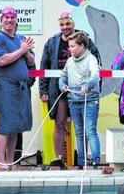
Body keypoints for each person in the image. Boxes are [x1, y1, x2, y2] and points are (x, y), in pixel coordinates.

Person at [40, 12, 100, 168]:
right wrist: (43, 90)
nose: (65, 27)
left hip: (82, 90)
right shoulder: (52, 42)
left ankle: (87, 160)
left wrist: (93, 86)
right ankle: (59, 158)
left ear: (73, 24)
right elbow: (44, 65)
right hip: (59, 89)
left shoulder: (84, 39)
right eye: (62, 24)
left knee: (85, 128)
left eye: (68, 24)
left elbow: (96, 63)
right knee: (59, 123)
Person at [0, 8, 35, 170]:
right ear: (1, 19)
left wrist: (26, 52)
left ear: (16, 20)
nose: (9, 20)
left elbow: (31, 62)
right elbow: (1, 60)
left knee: (15, 127)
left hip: (21, 88)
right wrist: (21, 50)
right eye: (6, 17)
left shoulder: (21, 38)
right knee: (5, 125)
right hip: (6, 87)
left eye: (12, 17)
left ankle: (10, 161)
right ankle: (1, 162)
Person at [58, 31, 102, 168]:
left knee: (90, 130)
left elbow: (95, 75)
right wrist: (62, 85)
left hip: (89, 100)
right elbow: (63, 76)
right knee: (79, 132)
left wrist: (88, 85)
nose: (69, 49)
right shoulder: (70, 61)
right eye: (69, 46)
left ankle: (95, 160)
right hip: (73, 100)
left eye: (72, 46)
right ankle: (81, 162)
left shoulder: (91, 59)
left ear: (82, 46)